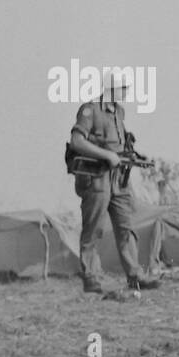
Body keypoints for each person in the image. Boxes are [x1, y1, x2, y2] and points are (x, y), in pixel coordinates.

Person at [68, 71, 158, 298]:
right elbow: (77, 141)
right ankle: (92, 279)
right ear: (111, 89)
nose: (126, 93)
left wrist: (136, 156)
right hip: (96, 177)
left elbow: (119, 144)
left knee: (126, 227)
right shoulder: (90, 110)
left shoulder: (119, 112)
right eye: (123, 88)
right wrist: (106, 155)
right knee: (94, 229)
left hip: (119, 178)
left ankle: (135, 276)